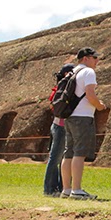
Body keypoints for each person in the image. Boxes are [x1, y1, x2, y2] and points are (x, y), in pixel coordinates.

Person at [61, 47, 106, 199]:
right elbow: (90, 94)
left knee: (68, 153)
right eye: (94, 58)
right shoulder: (88, 72)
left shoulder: (73, 72)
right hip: (83, 116)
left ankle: (66, 189)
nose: (97, 61)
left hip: (69, 116)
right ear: (85, 58)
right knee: (79, 153)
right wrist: (99, 105)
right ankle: (77, 190)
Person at [43, 63, 74, 197]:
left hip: (59, 126)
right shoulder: (63, 89)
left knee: (61, 158)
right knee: (56, 158)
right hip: (61, 126)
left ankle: (60, 188)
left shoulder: (60, 89)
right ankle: (50, 189)